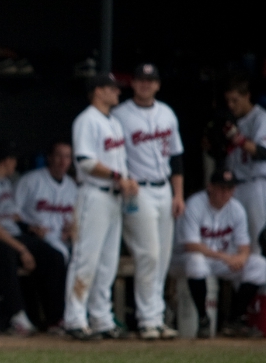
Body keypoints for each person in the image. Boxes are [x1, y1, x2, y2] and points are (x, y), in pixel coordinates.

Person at [63, 73, 138, 341]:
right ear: (98, 91)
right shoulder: (86, 120)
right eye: (112, 88)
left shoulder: (114, 122)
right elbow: (84, 161)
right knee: (86, 258)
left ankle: (101, 319)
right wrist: (119, 178)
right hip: (93, 194)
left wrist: (126, 182)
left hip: (114, 197)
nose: (118, 92)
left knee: (107, 263)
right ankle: (74, 319)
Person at [112, 63, 184, 340]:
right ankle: (147, 318)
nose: (145, 84)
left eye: (150, 80)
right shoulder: (120, 115)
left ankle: (155, 316)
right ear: (133, 83)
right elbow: (114, 155)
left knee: (162, 257)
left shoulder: (167, 113)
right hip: (136, 190)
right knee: (149, 254)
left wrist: (178, 194)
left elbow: (176, 157)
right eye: (140, 80)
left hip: (163, 188)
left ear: (157, 85)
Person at [0, 143, 64, 334]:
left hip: (11, 235)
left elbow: (11, 218)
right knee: (7, 253)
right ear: (6, 161)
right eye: (13, 160)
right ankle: (17, 317)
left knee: (53, 256)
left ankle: (55, 319)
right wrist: (22, 249)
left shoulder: (5, 181)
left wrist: (30, 229)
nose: (15, 164)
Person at [173, 168, 265, 338]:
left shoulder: (236, 208)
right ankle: (203, 319)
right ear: (210, 187)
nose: (226, 193)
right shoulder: (195, 204)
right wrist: (227, 257)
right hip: (184, 260)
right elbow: (191, 245)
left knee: (260, 266)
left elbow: (244, 245)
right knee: (196, 262)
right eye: (221, 188)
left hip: (219, 261)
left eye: (229, 189)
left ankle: (234, 320)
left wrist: (241, 258)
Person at [222, 78, 266, 255]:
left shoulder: (260, 117)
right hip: (234, 185)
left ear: (247, 96)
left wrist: (238, 139)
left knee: (258, 239)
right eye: (228, 101)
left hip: (254, 184)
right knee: (234, 241)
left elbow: (262, 152)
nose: (231, 105)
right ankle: (242, 282)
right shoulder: (232, 119)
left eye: (235, 100)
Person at [15, 141, 77, 262]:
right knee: (60, 256)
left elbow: (75, 218)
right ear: (49, 158)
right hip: (35, 238)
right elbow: (11, 213)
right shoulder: (30, 180)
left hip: (63, 239)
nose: (63, 161)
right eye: (59, 156)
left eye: (67, 157)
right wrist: (29, 228)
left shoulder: (72, 186)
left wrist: (71, 229)